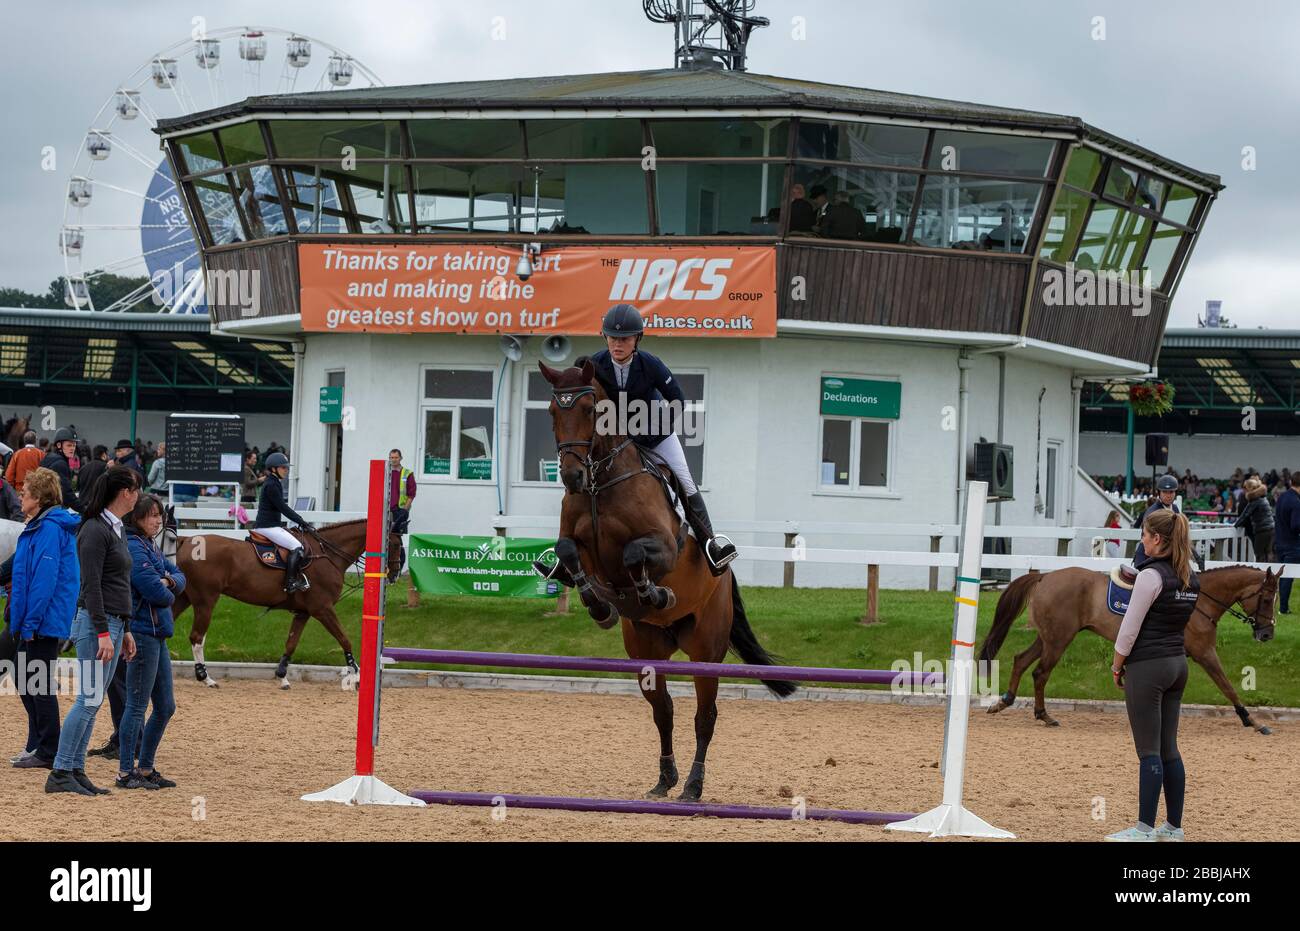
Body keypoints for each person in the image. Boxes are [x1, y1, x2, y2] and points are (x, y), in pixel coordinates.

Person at [540, 304, 737, 578]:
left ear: (636, 340)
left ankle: (711, 545)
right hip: (617, 438)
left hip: (656, 435)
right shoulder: (595, 365)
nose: (618, 344)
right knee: (581, 476)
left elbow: (677, 401)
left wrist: (654, 432)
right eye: (612, 338)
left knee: (685, 480)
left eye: (625, 338)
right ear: (604, 337)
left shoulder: (650, 364)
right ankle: (564, 559)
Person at [1106, 508, 1199, 842]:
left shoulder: (1150, 576)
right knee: (1169, 749)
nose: (1142, 540)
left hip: (1148, 666)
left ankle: (1143, 830)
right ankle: (1173, 828)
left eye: (1145, 534)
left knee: (1148, 751)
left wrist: (1117, 665)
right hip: (1178, 664)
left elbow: (1129, 629)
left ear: (1157, 539)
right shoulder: (1189, 575)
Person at [47, 466, 140, 796]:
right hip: (95, 623)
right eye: (135, 490)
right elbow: (93, 586)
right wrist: (103, 632)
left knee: (93, 699)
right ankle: (61, 770)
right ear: (124, 493)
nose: (138, 496)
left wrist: (125, 629)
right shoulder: (94, 530)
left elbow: (118, 584)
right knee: (88, 699)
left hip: (113, 622)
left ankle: (75, 769)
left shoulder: (115, 529)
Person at [8, 468, 80, 770]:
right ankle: (41, 742)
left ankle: (49, 748)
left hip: (42, 620)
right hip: (38, 618)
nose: (20, 496)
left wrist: (30, 622)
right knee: (25, 676)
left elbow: (44, 581)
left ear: (38, 497)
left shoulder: (49, 529)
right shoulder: (40, 525)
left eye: (25, 492)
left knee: (38, 683)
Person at [118, 494, 184, 790]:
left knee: (166, 706)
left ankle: (144, 768)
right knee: (136, 705)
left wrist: (167, 582)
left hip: (158, 633)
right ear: (137, 518)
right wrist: (169, 587)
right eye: (151, 515)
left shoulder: (151, 546)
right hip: (144, 633)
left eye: (159, 515)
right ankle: (124, 771)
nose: (157, 520)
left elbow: (178, 576)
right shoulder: (134, 547)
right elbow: (156, 592)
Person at [254, 451, 314, 593]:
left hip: (270, 525)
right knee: (297, 546)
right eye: (283, 468)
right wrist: (301, 521)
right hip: (267, 527)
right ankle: (290, 582)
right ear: (274, 469)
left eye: (286, 468)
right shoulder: (272, 485)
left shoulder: (273, 482)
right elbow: (283, 508)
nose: (286, 470)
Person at [387, 449, 420, 609]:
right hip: (387, 511)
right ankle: (389, 572)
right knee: (387, 541)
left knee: (398, 541)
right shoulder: (385, 472)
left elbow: (412, 493)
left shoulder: (407, 473)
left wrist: (405, 510)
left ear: (401, 458)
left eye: (396, 457)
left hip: (400, 511)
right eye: (391, 457)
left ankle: (398, 569)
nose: (393, 460)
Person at [1132, 474, 1180, 564]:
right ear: (1159, 493)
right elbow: (1150, 538)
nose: (1168, 495)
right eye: (1165, 492)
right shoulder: (1152, 511)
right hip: (1148, 556)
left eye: (1171, 492)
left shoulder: (1175, 509)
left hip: (1164, 555)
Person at [1275, 471, 1300, 614]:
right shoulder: (1296, 502)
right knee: (1287, 578)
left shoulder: (1282, 497)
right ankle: (1283, 608)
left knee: (1284, 577)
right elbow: (1296, 526)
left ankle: (1282, 607)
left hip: (1280, 542)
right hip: (1292, 544)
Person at [40, 427, 81, 513]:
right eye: (69, 445)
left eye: (74, 445)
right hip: (52, 510)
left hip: (43, 508)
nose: (73, 448)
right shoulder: (60, 464)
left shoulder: (49, 457)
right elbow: (67, 494)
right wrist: (86, 510)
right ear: (59, 445)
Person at [1235, 476, 1275, 562]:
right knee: (1269, 552)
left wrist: (1236, 525)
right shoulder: (1263, 498)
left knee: (1259, 554)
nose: (1243, 490)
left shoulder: (1254, 500)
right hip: (1271, 528)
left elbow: (1245, 514)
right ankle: (1271, 573)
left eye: (1245, 487)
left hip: (1262, 530)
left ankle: (1260, 574)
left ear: (1249, 489)